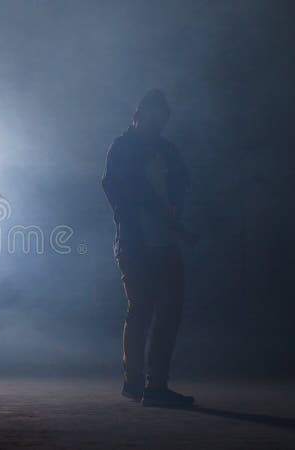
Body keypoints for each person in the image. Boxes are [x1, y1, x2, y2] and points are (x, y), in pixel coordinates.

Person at [102, 89, 198, 408]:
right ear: (139, 114)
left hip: (163, 241)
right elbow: (115, 188)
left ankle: (154, 385)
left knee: (167, 313)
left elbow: (182, 182)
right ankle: (135, 382)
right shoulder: (123, 147)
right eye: (154, 116)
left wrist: (172, 210)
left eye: (162, 117)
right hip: (135, 242)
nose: (158, 123)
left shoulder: (166, 150)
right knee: (142, 310)